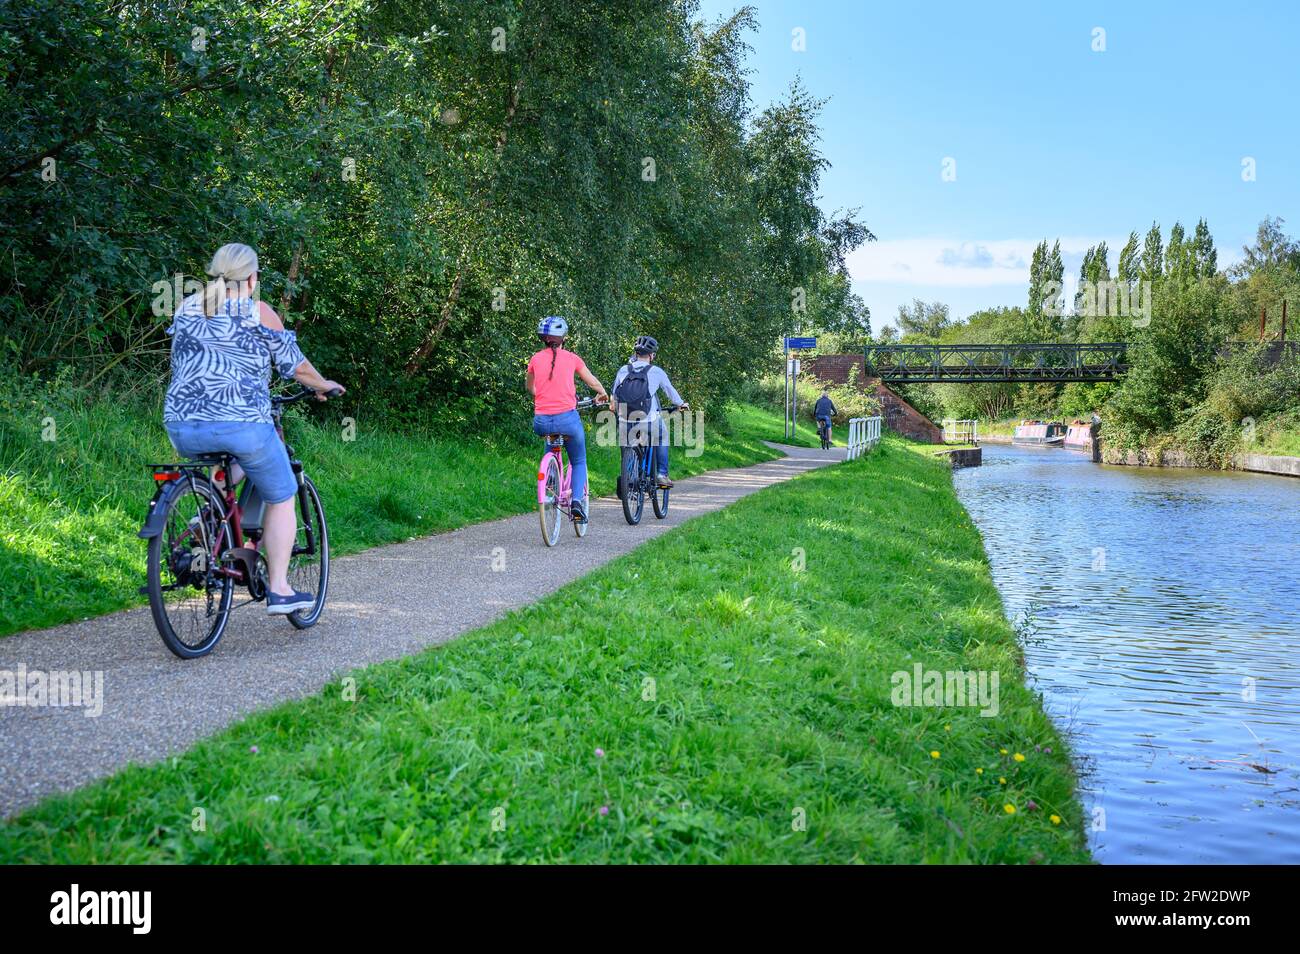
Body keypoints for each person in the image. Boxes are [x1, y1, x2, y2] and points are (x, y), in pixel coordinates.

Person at [163, 243, 344, 615]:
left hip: (182, 425)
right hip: (242, 422)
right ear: (252, 278)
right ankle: (279, 589)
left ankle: (206, 512)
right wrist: (323, 385)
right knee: (281, 493)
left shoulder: (186, 309)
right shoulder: (258, 312)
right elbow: (296, 367)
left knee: (236, 456)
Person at [525, 316, 608, 522]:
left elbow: (530, 388)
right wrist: (603, 393)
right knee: (578, 460)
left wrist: (543, 395)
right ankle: (577, 502)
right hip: (568, 420)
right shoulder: (572, 359)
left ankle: (551, 481)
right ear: (563, 338)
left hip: (541, 421)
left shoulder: (535, 359)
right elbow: (593, 382)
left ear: (543, 339)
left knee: (551, 442)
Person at [610, 335, 688, 488]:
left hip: (625, 418)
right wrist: (681, 404)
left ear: (636, 354)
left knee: (628, 444)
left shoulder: (623, 370)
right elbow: (670, 392)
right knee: (662, 436)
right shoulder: (656, 371)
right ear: (652, 355)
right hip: (648, 419)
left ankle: (629, 477)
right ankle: (661, 475)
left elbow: (614, 395)